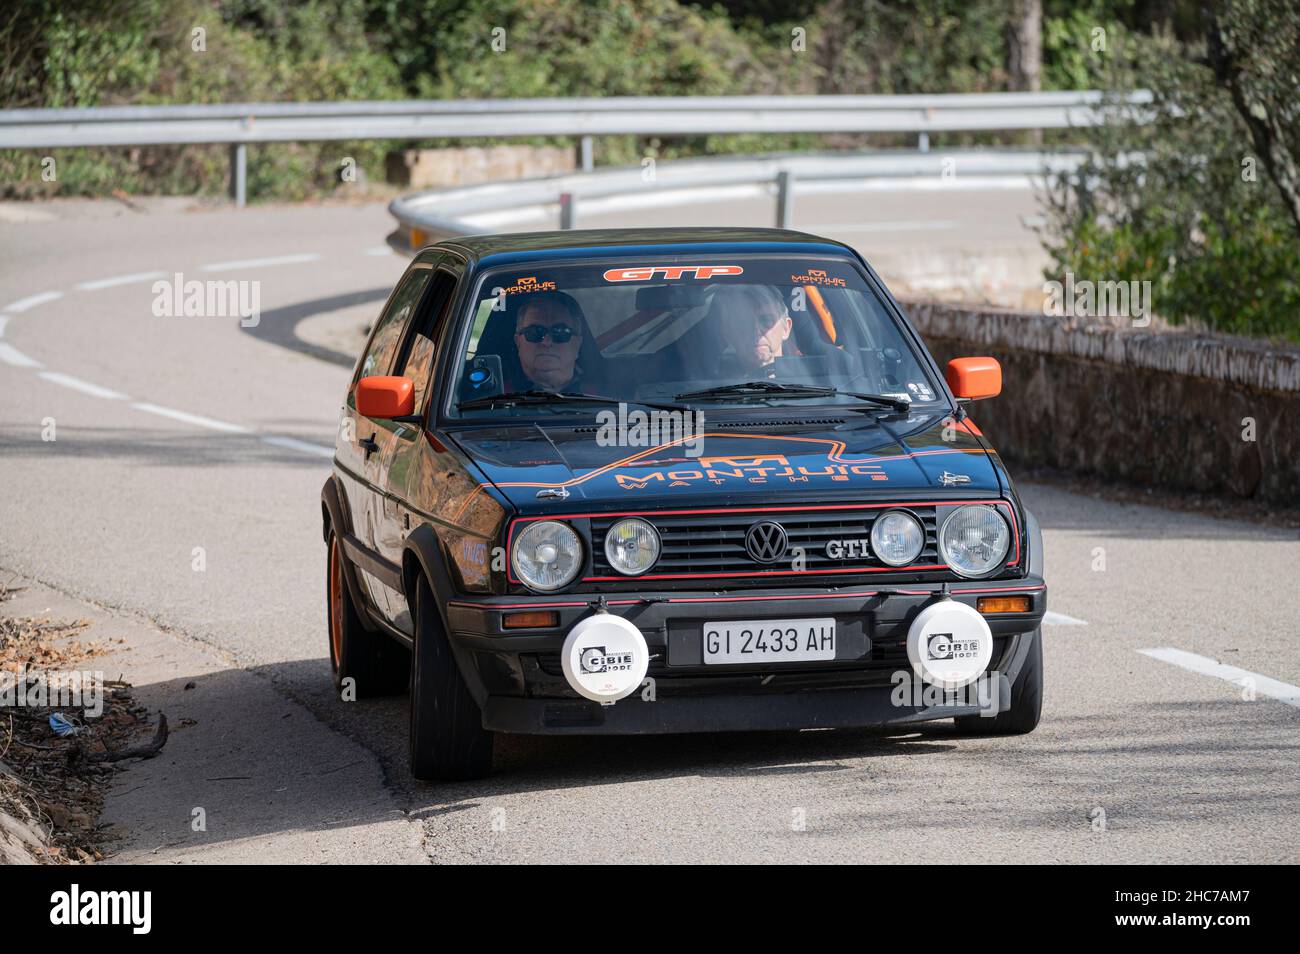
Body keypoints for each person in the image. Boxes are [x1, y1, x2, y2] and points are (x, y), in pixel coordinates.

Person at [712, 285, 794, 377]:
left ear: (786, 328)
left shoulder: (809, 379)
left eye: (766, 320)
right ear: (727, 333)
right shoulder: (706, 386)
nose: (756, 332)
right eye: (744, 323)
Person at [513, 292, 586, 392]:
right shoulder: (495, 399)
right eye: (535, 332)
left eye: (560, 332)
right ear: (518, 342)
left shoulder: (604, 399)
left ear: (577, 345)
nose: (546, 342)